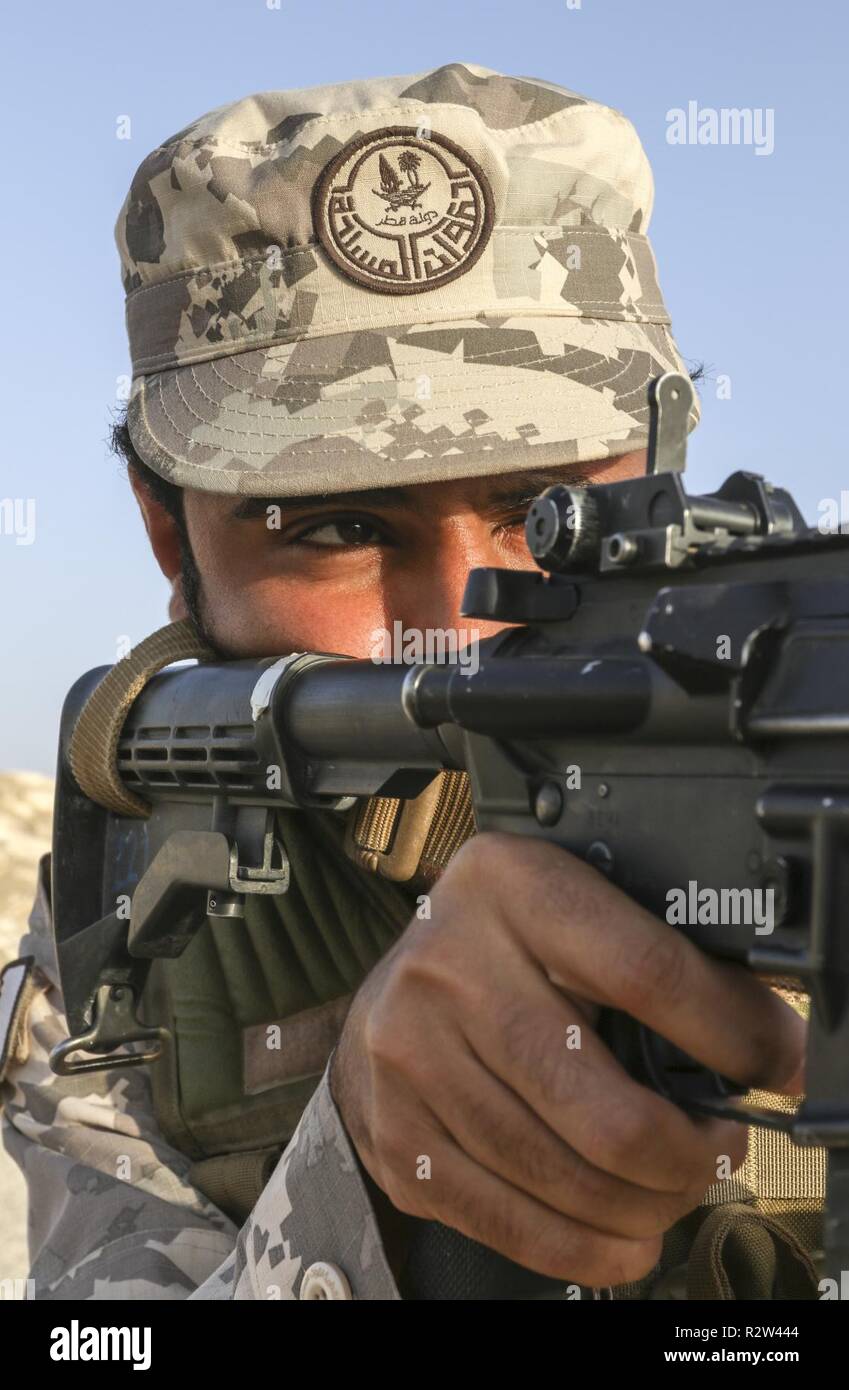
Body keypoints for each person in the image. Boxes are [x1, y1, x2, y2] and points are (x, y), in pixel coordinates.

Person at [0, 62, 819, 1301]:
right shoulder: (137, 925)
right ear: (174, 543)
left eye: (543, 510)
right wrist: (362, 1177)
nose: (457, 628)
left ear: (663, 471)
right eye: (337, 530)